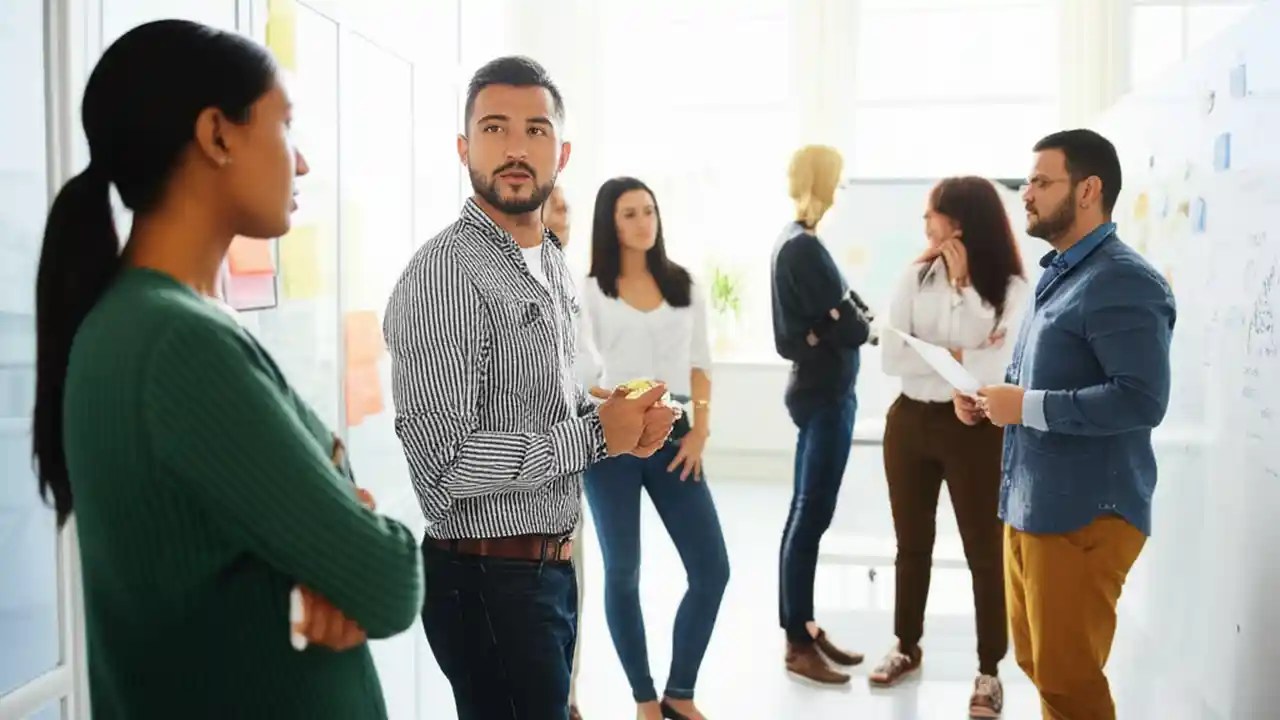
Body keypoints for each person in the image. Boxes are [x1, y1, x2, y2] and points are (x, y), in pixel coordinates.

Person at [31, 20, 424, 719]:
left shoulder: (130, 320)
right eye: (286, 125)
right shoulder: (179, 344)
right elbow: (391, 581)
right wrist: (340, 548)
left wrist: (326, 558)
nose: (301, 163)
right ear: (217, 135)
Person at [383, 56, 678, 720]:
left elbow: (547, 408)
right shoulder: (444, 276)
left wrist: (615, 423)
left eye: (536, 130)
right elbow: (444, 464)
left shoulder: (547, 261)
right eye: (494, 128)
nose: (516, 148)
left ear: (562, 152)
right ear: (464, 147)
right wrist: (596, 434)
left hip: (544, 571)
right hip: (489, 582)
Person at [964, 129, 1176, 720]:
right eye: (1028, 181)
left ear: (1088, 190)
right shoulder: (1058, 273)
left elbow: (1140, 400)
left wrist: (1025, 406)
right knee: (1041, 667)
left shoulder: (1124, 281)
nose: (1026, 194)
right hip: (1031, 503)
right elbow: (1035, 376)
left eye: (1040, 181)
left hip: (1085, 512)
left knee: (1067, 677)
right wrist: (988, 402)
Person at [873, 176, 1029, 716]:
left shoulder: (1009, 289)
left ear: (958, 222)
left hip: (977, 426)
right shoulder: (915, 277)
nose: (925, 225)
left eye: (932, 215)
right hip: (910, 421)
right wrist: (964, 352)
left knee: (984, 553)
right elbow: (893, 356)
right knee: (911, 544)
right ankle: (906, 646)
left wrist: (962, 293)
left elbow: (997, 365)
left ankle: (989, 671)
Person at [577, 177, 730, 720]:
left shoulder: (684, 283)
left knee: (712, 569)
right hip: (611, 441)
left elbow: (700, 364)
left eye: (649, 211)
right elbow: (581, 375)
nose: (644, 222)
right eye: (630, 214)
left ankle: (680, 693)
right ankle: (645, 699)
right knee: (623, 572)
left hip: (674, 436)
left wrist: (700, 431)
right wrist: (615, 406)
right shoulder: (588, 289)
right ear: (609, 223)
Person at [769, 145, 871, 685]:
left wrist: (840, 314)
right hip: (825, 393)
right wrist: (841, 317)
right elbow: (848, 326)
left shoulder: (798, 241)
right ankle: (796, 641)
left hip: (823, 390)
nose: (842, 185)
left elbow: (846, 314)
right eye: (837, 175)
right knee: (810, 516)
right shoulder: (803, 248)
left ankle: (803, 626)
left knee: (805, 514)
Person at [544, 183, 586, 720]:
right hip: (562, 456)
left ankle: (569, 697)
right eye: (556, 203)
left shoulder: (563, 275)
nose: (563, 213)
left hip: (573, 463)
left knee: (576, 586)